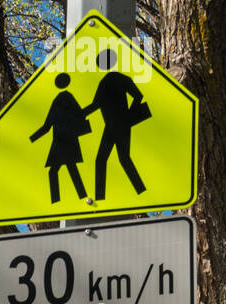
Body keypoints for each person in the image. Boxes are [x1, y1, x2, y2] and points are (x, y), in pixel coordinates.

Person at [83, 48, 149, 201]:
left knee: (111, 159)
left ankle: (103, 197)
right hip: (114, 125)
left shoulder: (113, 80)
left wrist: (128, 117)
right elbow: (96, 105)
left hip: (117, 125)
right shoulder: (111, 80)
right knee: (118, 159)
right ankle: (138, 191)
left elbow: (138, 96)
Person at [29, 73, 91, 204]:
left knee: (59, 171)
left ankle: (60, 200)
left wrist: (31, 139)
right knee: (68, 169)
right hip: (64, 141)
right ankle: (80, 197)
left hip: (63, 142)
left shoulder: (59, 101)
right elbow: (80, 115)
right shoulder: (65, 99)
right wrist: (30, 139)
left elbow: (47, 126)